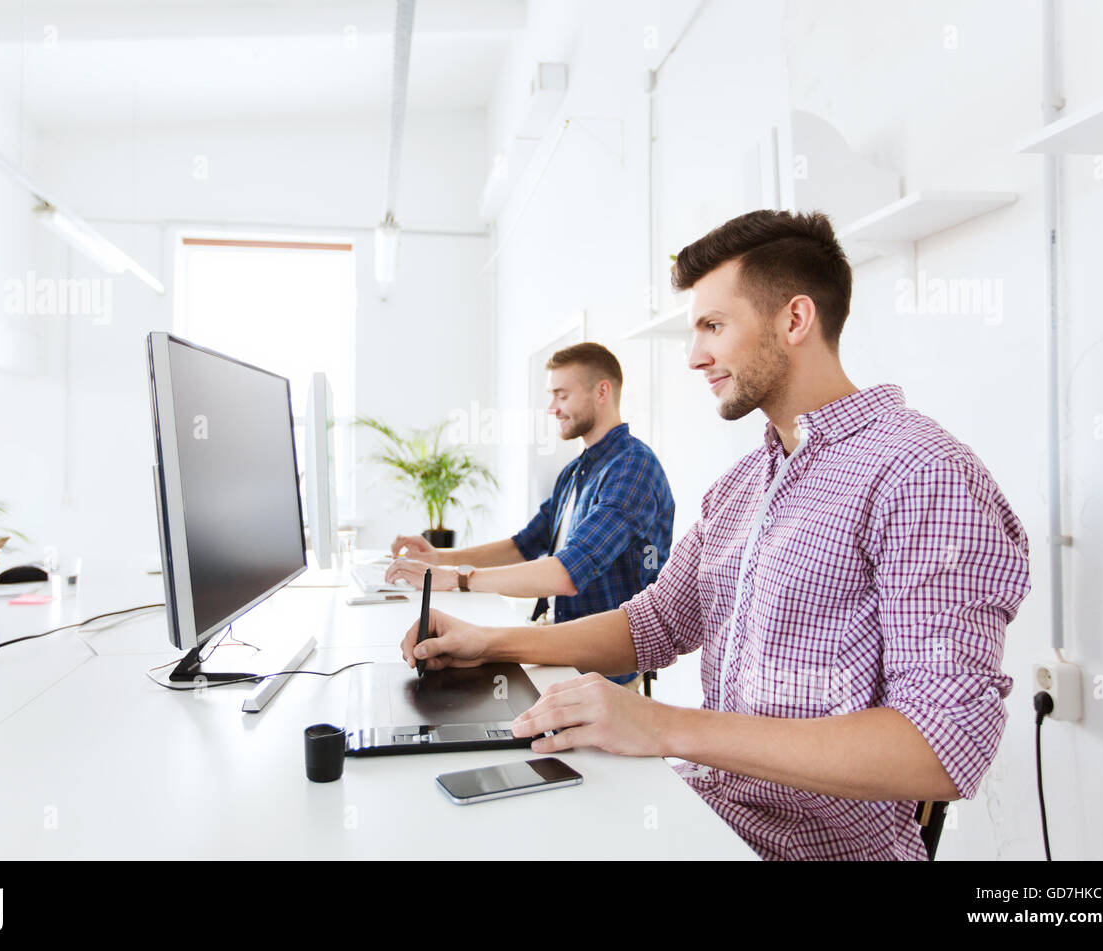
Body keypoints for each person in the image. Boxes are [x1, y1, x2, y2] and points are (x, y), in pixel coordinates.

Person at [397, 210, 1032, 860]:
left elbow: (942, 743)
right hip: (702, 816)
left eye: (713, 326)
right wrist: (490, 642)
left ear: (794, 319)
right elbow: (651, 624)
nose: (695, 355)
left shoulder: (922, 474)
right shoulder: (741, 487)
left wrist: (664, 725)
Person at [386, 342, 674, 689]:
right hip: (560, 651)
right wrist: (438, 558)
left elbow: (569, 572)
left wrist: (459, 577)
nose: (552, 408)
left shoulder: (633, 467)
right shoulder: (575, 471)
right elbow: (523, 545)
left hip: (606, 675)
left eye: (562, 395)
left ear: (602, 391)